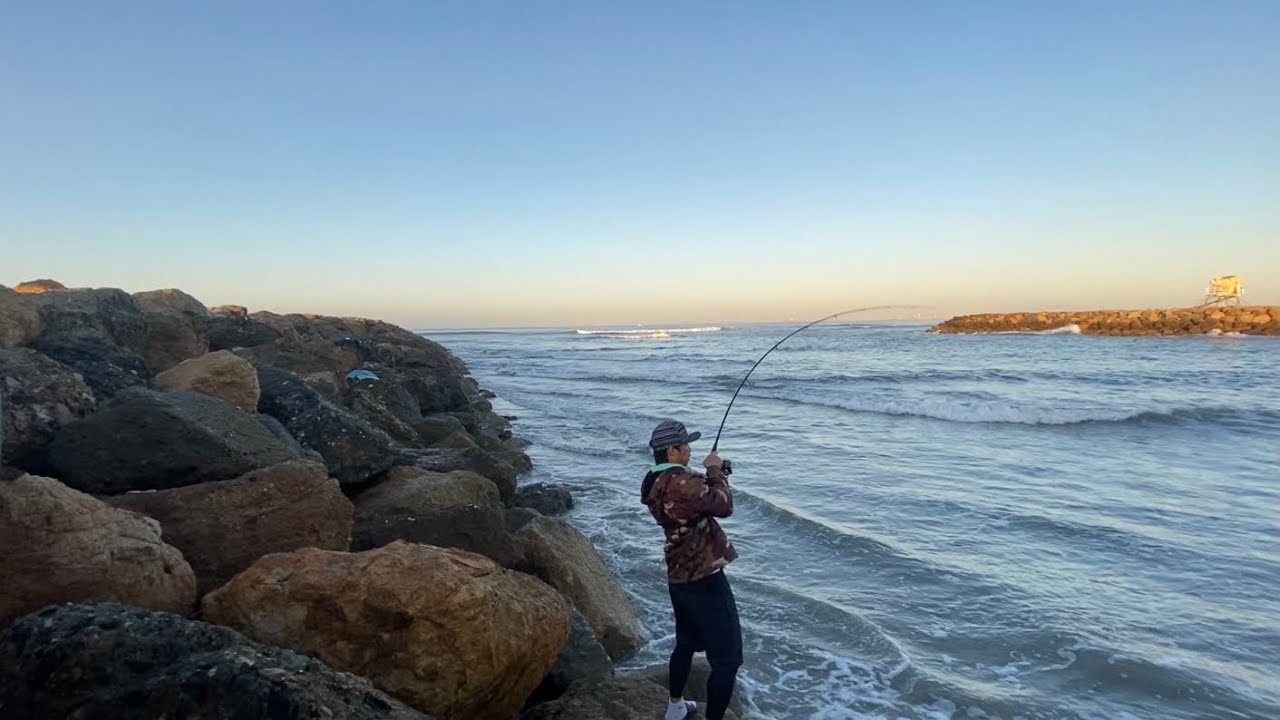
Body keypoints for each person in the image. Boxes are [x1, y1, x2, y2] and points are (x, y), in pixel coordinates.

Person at [641, 419, 742, 720]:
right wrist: (714, 470)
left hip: (679, 576)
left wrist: (716, 475)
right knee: (727, 660)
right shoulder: (683, 483)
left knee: (686, 643)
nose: (689, 449)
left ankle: (675, 707)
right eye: (685, 445)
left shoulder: (654, 481)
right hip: (704, 579)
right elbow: (723, 506)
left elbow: (700, 500)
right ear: (671, 450)